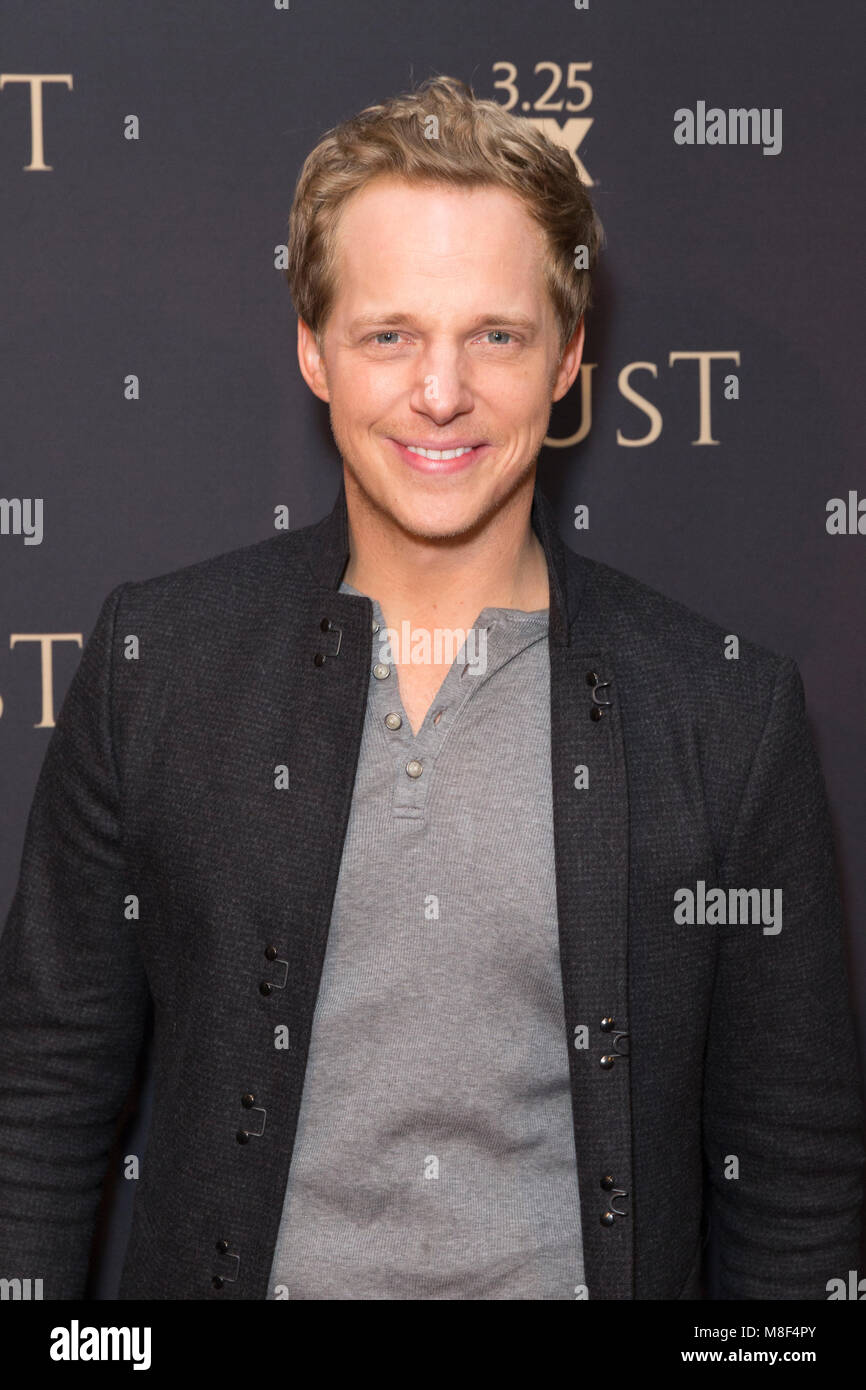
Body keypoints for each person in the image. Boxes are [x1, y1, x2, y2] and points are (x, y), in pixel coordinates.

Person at [0, 74, 862, 1301]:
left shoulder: (721, 712)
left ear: (568, 357)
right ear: (313, 349)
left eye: (494, 336)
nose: (440, 392)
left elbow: (792, 1172)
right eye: (389, 333)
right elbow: (41, 1093)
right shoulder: (161, 663)